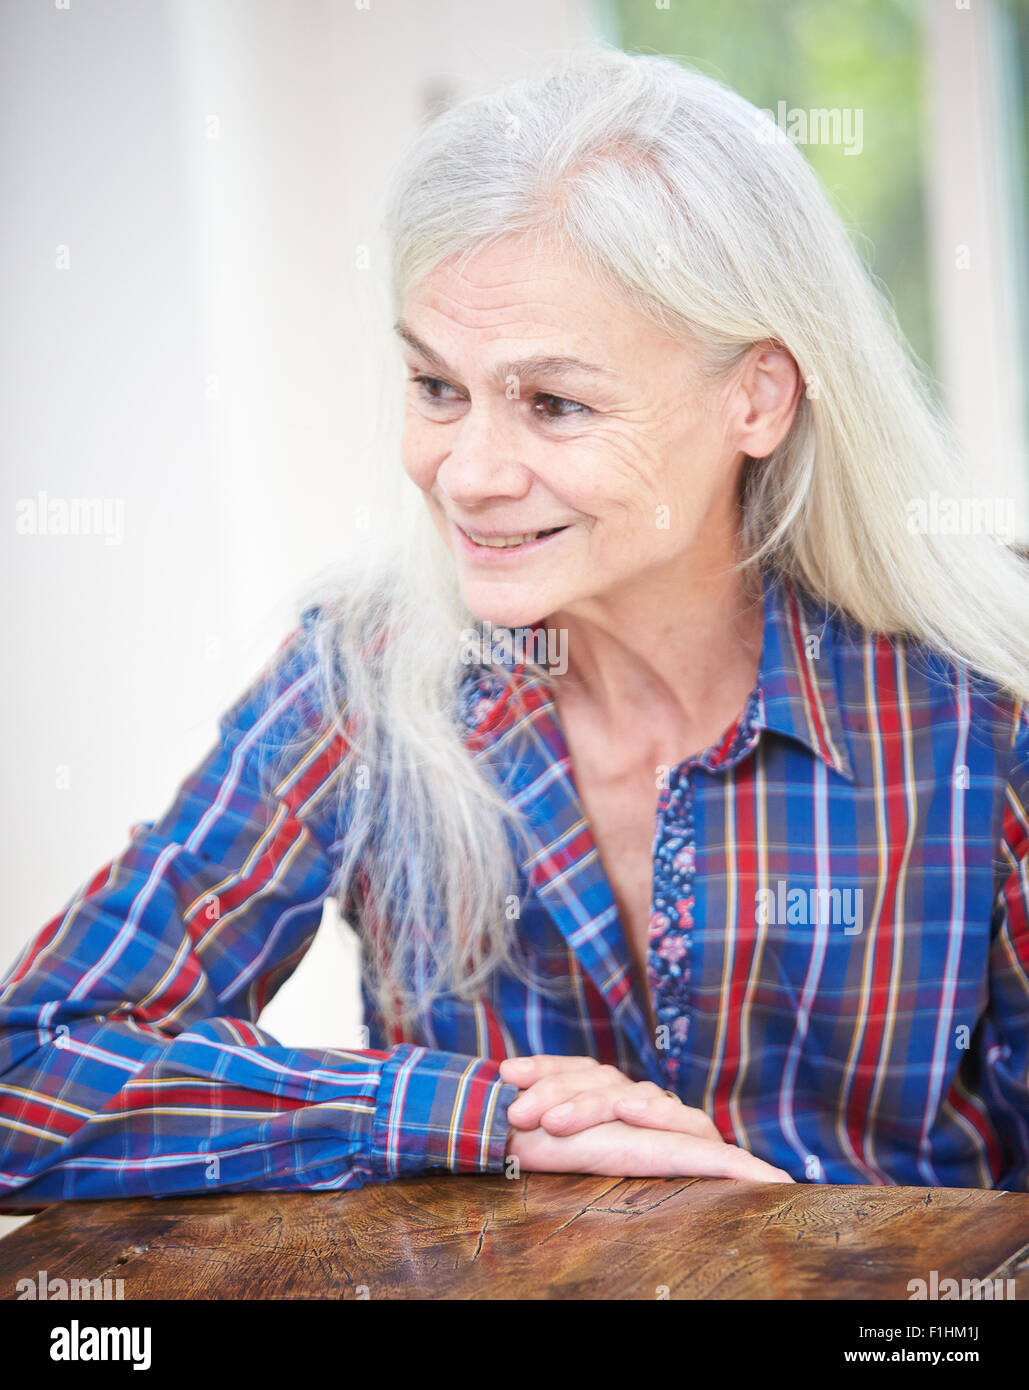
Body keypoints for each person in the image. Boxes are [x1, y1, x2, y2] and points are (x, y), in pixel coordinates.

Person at [2, 47, 1027, 1207]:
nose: (468, 473)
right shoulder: (361, 682)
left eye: (555, 402)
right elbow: (27, 1071)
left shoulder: (982, 709)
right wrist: (482, 1114)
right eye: (439, 387)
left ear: (759, 398)